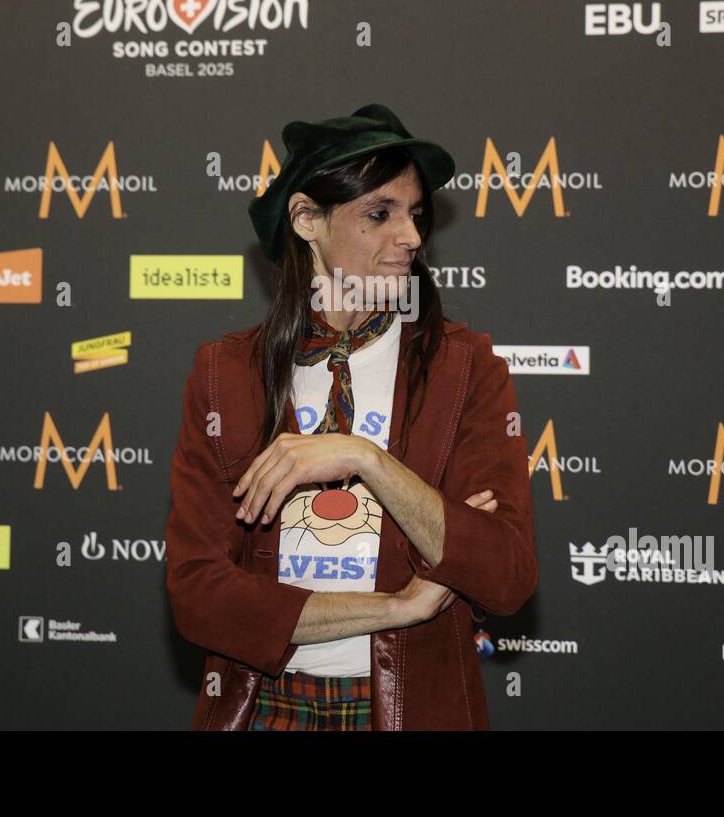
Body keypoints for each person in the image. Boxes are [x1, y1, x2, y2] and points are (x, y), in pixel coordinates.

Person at [166, 103, 538, 730]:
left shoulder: (466, 370)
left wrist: (364, 457)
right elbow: (199, 596)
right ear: (307, 220)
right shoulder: (224, 374)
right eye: (379, 214)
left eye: (415, 214)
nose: (413, 237)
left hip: (408, 710)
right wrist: (395, 608)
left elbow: (505, 577)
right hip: (264, 708)